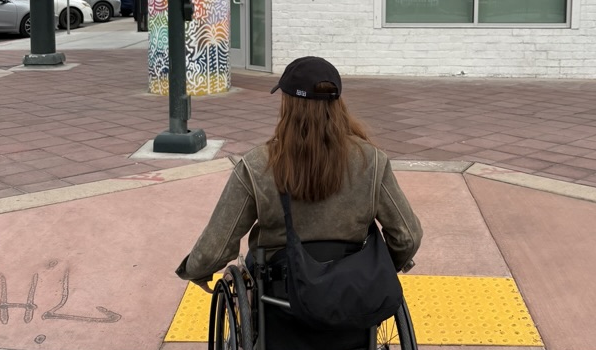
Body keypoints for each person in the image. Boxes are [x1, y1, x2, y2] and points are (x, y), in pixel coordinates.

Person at [176, 56, 422, 288]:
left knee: (252, 267)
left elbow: (215, 248)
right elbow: (408, 238)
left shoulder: (258, 165)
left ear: (288, 105)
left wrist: (195, 269)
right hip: (352, 288)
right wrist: (380, 266)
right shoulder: (371, 160)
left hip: (281, 293)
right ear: (337, 105)